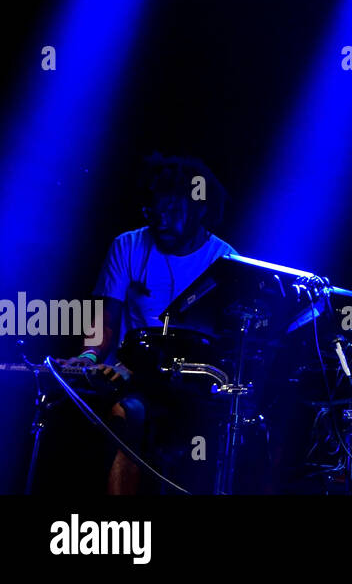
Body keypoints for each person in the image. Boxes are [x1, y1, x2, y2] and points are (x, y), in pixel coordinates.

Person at [63, 153, 237, 494]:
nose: (161, 222)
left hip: (191, 388)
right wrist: (88, 358)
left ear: (201, 209)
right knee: (124, 414)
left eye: (173, 213)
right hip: (131, 378)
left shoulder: (223, 259)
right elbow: (105, 321)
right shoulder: (127, 245)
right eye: (156, 212)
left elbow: (222, 341)